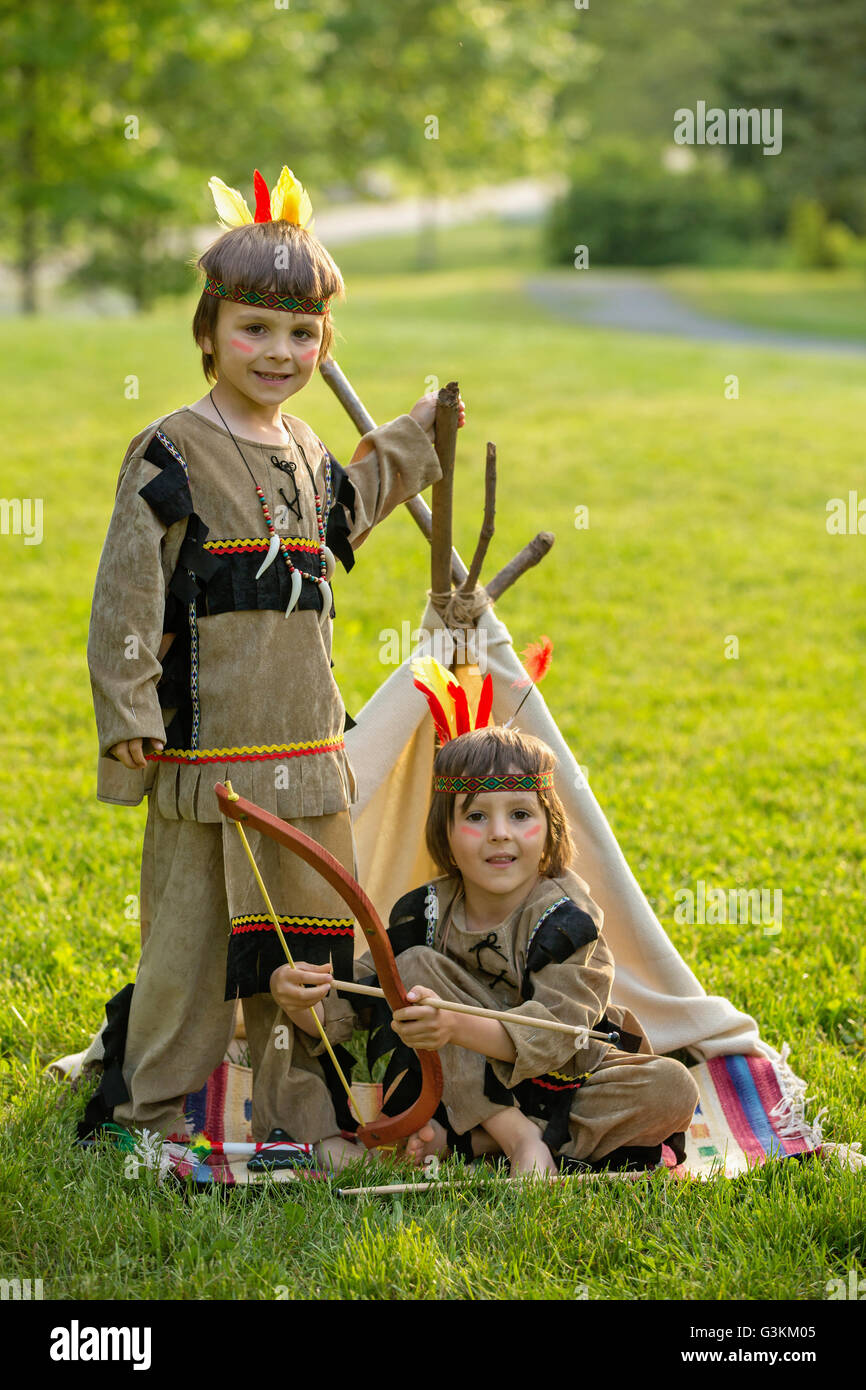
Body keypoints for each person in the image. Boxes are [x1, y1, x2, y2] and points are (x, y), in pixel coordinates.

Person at [85, 164, 464, 1169]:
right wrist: (128, 706)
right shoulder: (169, 452)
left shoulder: (302, 447)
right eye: (255, 328)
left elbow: (347, 509)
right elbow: (127, 595)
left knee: (309, 954)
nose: (279, 352)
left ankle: (307, 1109)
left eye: (302, 335)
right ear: (208, 331)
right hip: (210, 763)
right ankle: (152, 1113)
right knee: (188, 951)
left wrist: (417, 440)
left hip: (306, 754)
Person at [349, 722, 700, 1177]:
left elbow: (558, 1035)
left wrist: (455, 1024)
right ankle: (519, 1138)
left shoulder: (568, 921)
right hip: (456, 1084)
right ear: (446, 834)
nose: (499, 833)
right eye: (476, 816)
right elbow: (362, 996)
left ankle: (471, 1142)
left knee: (672, 1088)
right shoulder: (424, 911)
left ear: (549, 829)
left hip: (557, 1081)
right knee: (413, 965)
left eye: (519, 814)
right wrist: (308, 995)